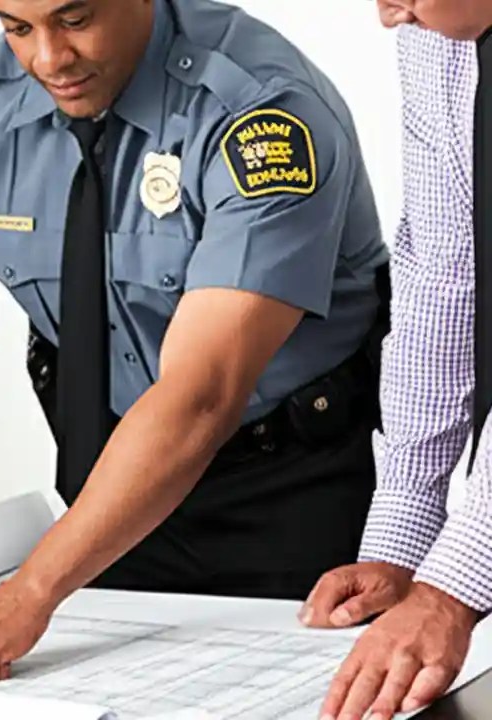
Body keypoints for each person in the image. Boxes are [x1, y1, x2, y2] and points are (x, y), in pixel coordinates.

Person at [0, 0, 391, 681]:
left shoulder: (259, 111)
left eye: (76, 19)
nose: (49, 59)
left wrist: (30, 592)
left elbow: (201, 395)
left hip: (287, 495)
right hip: (100, 495)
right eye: (18, 27)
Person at [306, 2, 492, 717]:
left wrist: (449, 591)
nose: (389, 14)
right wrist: (404, 537)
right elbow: (440, 271)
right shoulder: (436, 31)